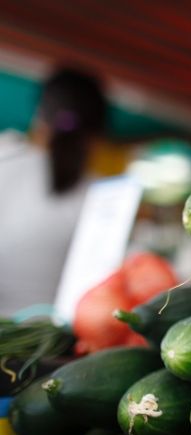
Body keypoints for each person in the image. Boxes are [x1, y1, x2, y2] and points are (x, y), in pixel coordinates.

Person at [0, 68, 108, 315]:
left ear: (39, 116)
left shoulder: (4, 159)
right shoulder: (104, 196)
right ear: (98, 135)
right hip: (52, 347)